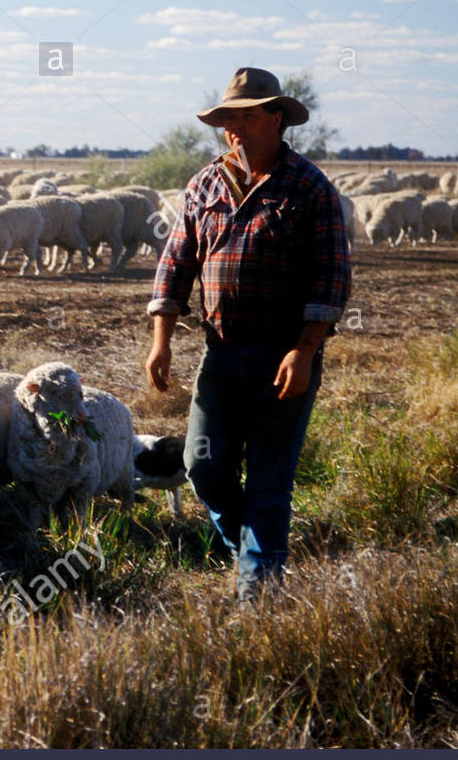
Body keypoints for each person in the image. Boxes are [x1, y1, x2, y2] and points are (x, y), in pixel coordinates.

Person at [144, 67, 352, 602]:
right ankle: (256, 556)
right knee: (202, 466)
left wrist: (305, 352)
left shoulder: (309, 187)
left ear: (276, 118)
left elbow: (331, 276)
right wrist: (161, 338)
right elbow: (176, 262)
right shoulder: (204, 183)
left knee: (267, 479)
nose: (234, 126)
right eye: (228, 117)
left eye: (247, 114)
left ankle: (257, 599)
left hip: (284, 356)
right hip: (223, 355)